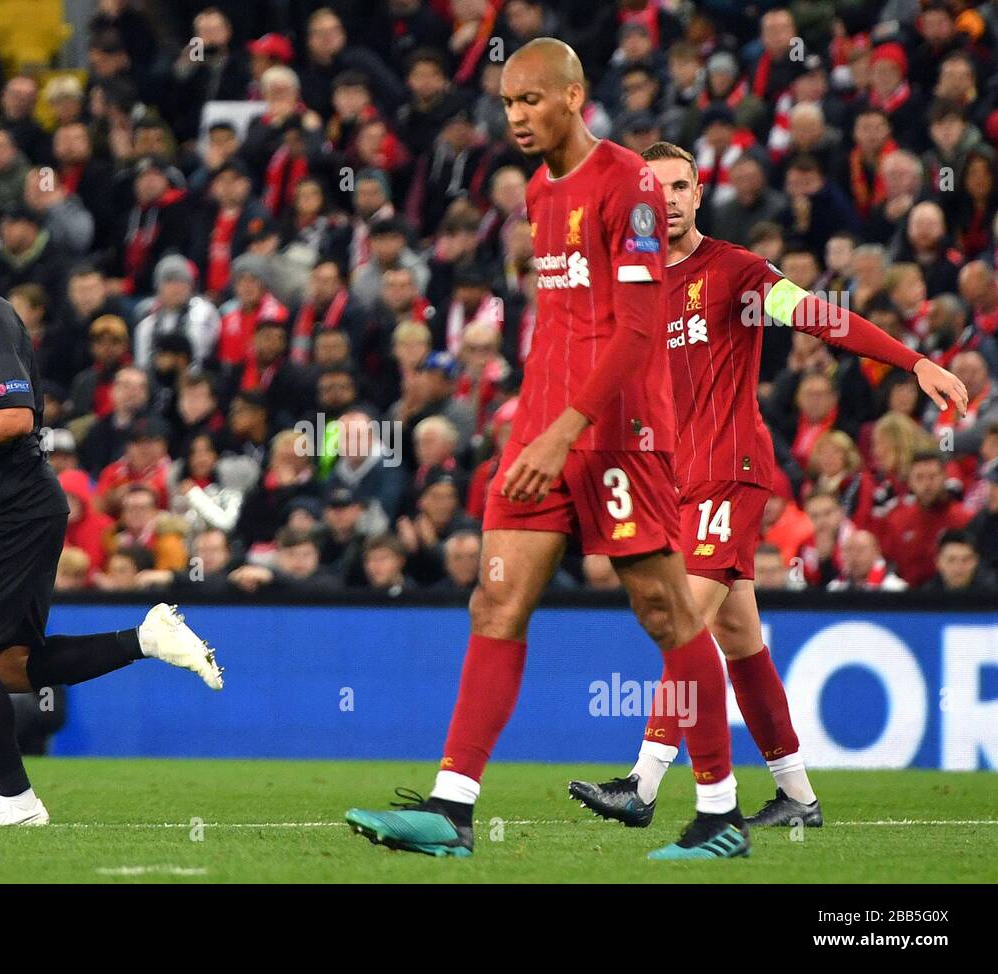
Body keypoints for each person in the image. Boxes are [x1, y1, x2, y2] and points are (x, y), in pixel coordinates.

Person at [347, 39, 747, 861]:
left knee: (667, 615)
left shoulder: (631, 184)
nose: (517, 117)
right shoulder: (537, 189)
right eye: (506, 104)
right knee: (495, 605)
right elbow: (564, 319)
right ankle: (452, 810)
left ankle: (719, 813)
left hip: (619, 433)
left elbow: (637, 331)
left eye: (531, 100)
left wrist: (569, 425)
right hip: (543, 429)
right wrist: (533, 417)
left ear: (574, 95)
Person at [568, 141, 966, 830]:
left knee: (682, 623)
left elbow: (820, 315)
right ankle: (798, 797)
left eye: (681, 186)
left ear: (698, 195)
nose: (667, 199)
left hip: (731, 473)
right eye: (654, 188)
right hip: (676, 482)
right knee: (739, 639)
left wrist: (912, 361)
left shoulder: (738, 272)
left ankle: (643, 782)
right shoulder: (631, 289)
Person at [0, 194, 223, 827]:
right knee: (9, 664)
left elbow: (15, 416)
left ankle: (16, 801)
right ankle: (146, 638)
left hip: (15, 507)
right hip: (17, 502)